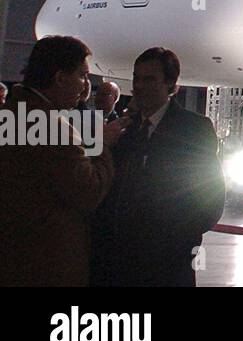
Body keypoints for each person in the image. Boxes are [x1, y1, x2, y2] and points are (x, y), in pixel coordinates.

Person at [91, 47, 226, 287]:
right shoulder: (124, 129)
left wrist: (175, 241)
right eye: (136, 78)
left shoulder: (193, 129)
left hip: (167, 264)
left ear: (171, 85)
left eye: (149, 79)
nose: (139, 86)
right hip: (119, 265)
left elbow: (210, 199)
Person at [0, 36, 125, 286]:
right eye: (82, 75)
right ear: (59, 77)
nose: (86, 86)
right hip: (45, 264)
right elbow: (88, 191)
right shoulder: (49, 126)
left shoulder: (13, 112)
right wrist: (102, 144)